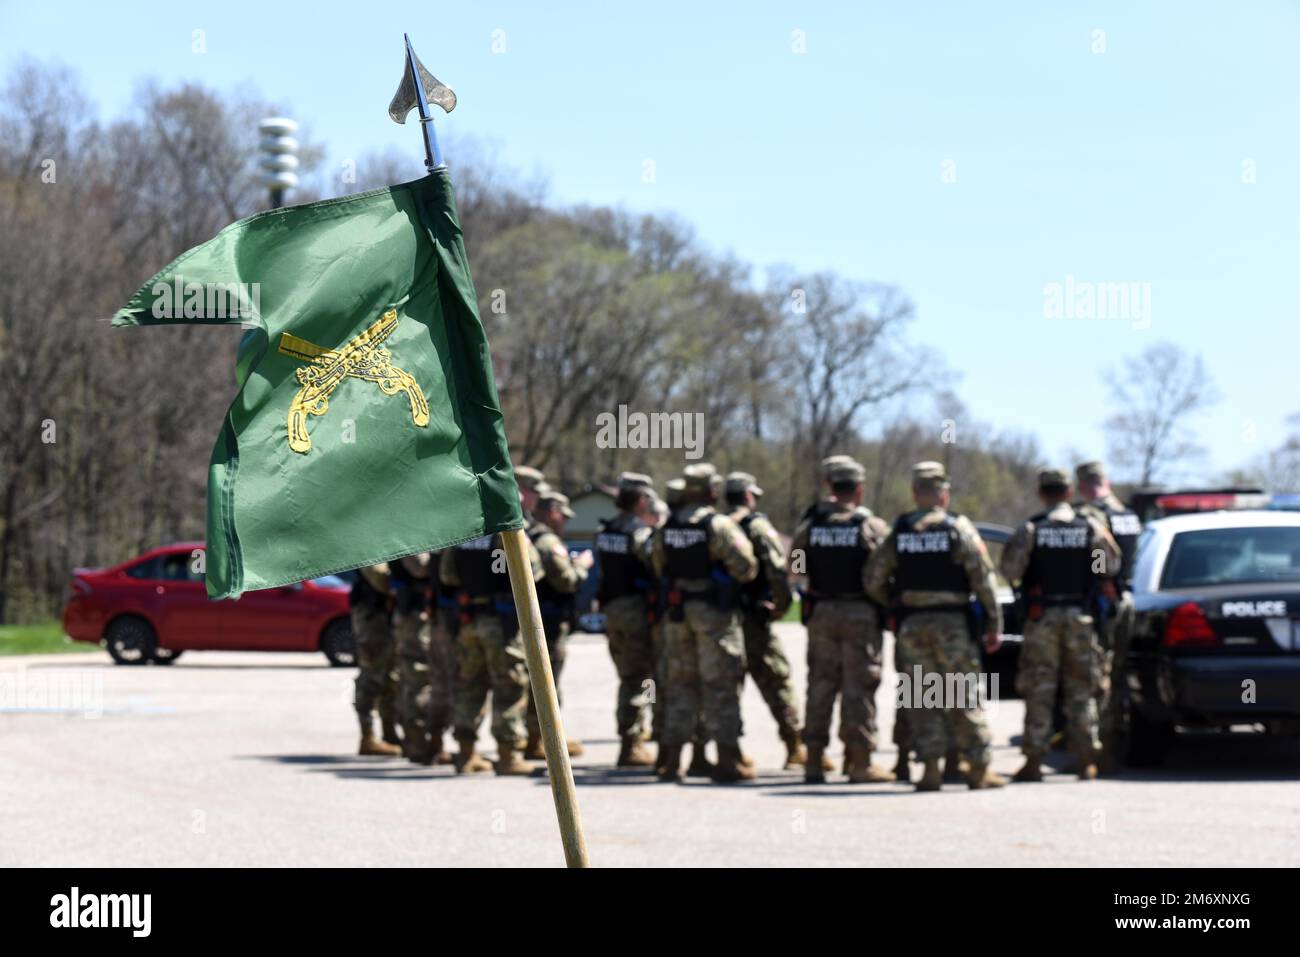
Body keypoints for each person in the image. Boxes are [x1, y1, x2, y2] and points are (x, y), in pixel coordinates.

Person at [865, 461, 1006, 791]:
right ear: (943, 494)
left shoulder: (899, 530)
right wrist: (993, 623)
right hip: (953, 623)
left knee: (922, 697)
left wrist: (895, 602)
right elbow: (983, 579)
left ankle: (929, 768)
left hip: (912, 624)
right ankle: (977, 768)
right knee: (962, 695)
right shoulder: (958, 528)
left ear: (915, 492)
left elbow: (873, 578)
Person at [1001, 468, 1120, 782]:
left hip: (1042, 619)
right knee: (1081, 689)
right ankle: (1086, 760)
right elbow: (1107, 566)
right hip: (1080, 618)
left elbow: (1011, 570)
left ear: (1042, 494)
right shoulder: (1090, 527)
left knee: (1040, 690)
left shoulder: (1032, 529)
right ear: (1069, 493)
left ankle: (1034, 762)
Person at [789, 459, 895, 783]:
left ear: (830, 487)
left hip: (821, 612)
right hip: (860, 614)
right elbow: (886, 571)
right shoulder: (873, 527)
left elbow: (796, 567)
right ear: (859, 490)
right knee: (858, 689)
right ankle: (859, 762)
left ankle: (814, 761)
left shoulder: (811, 527)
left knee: (820, 686)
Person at [651, 463, 758, 783]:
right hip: (713, 615)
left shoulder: (668, 526)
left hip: (678, 615)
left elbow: (658, 565)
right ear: (712, 491)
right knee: (720, 686)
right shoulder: (718, 525)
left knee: (679, 687)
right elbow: (746, 567)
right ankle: (728, 761)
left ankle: (671, 762)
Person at [439, 531, 544, 776]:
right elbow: (534, 571)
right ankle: (509, 756)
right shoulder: (505, 532)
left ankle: (466, 754)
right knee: (509, 687)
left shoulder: (463, 533)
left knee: (469, 684)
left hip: (469, 619)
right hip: (500, 621)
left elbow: (447, 575)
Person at [725, 471, 807, 768]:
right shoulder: (757, 526)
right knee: (777, 681)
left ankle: (728, 752)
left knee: (723, 687)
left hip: (720, 620)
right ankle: (795, 748)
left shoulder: (718, 525)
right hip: (754, 618)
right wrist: (782, 606)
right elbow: (776, 569)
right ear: (748, 497)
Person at [1074, 460, 1143, 771]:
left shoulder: (1095, 515)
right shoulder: (1128, 514)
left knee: (1098, 679)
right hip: (1130, 598)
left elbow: (1100, 557)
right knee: (1117, 676)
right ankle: (1116, 746)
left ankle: (1101, 750)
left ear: (1083, 486)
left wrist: (1102, 583)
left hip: (1108, 603)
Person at [594, 472, 659, 768]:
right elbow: (655, 564)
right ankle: (632, 744)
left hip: (612, 610)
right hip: (635, 611)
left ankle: (632, 737)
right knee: (641, 677)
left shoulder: (606, 531)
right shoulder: (638, 533)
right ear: (641, 500)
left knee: (627, 676)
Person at [524, 489, 591, 760]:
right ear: (552, 511)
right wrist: (582, 566)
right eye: (562, 515)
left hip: (534, 620)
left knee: (537, 681)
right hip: (549, 622)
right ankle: (542, 740)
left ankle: (540, 738)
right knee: (546, 682)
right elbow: (566, 580)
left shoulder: (528, 536)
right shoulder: (547, 540)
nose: (564, 521)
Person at [391, 553, 438, 763]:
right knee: (417, 679)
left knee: (412, 679)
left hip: (415, 612)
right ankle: (417, 743)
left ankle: (414, 742)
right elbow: (420, 567)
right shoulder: (409, 533)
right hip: (414, 616)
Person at [350, 563, 401, 756]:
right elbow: (380, 578)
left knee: (390, 677)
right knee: (370, 678)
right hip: (372, 617)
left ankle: (390, 733)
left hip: (384, 617)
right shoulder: (372, 541)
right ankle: (368, 737)